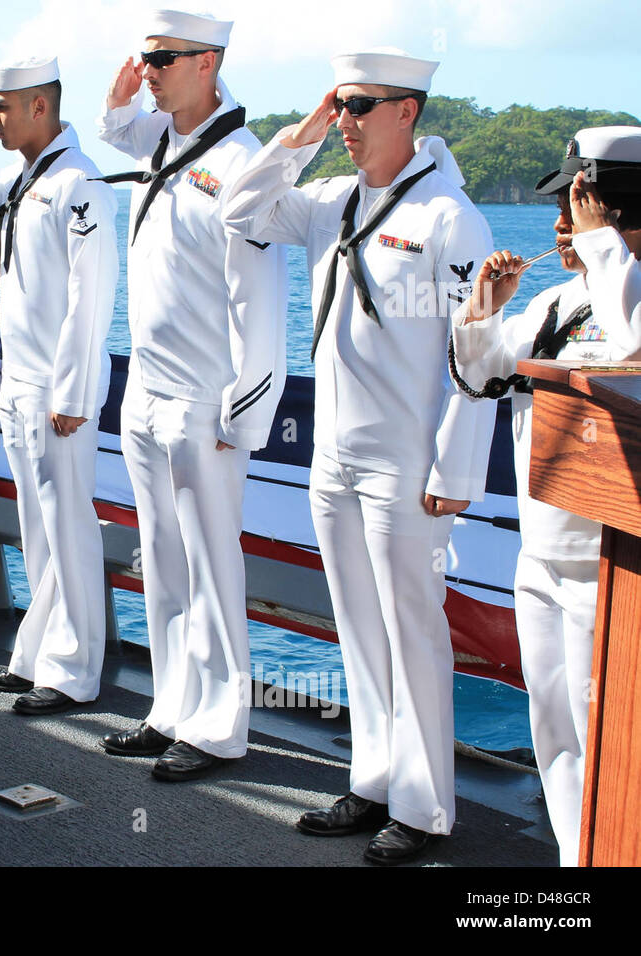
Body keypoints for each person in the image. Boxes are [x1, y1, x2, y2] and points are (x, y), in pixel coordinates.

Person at [223, 48, 496, 864]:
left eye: (360, 106)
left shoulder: (452, 218)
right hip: (335, 458)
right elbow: (239, 211)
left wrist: (455, 471)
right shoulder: (332, 199)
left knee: (414, 633)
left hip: (406, 465)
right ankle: (373, 778)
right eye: (340, 105)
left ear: (407, 111)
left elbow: (475, 354)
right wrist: (300, 133)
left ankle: (423, 806)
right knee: (358, 631)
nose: (346, 120)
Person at [95, 11, 287, 780]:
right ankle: (171, 707)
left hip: (205, 400)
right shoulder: (165, 139)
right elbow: (115, 127)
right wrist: (122, 90)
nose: (150, 72)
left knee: (212, 565)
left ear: (208, 63)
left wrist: (243, 416)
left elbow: (261, 306)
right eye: (146, 59)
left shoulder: (244, 163)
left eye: (163, 59)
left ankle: (218, 727)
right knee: (163, 559)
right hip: (146, 387)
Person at [451, 127, 641, 866]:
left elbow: (629, 352)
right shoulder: (561, 303)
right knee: (557, 732)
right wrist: (484, 312)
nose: (560, 223)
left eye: (577, 205)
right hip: (544, 556)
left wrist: (604, 253)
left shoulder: (622, 294)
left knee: (613, 739)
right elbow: (480, 377)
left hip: (614, 568)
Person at [0, 56, 119, 715]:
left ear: (39, 106)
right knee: (38, 526)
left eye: (3, 108)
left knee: (69, 525)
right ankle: (40, 655)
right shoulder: (21, 182)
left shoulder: (80, 185)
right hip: (19, 386)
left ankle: (74, 672)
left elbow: (90, 296)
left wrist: (72, 392)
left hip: (57, 392)